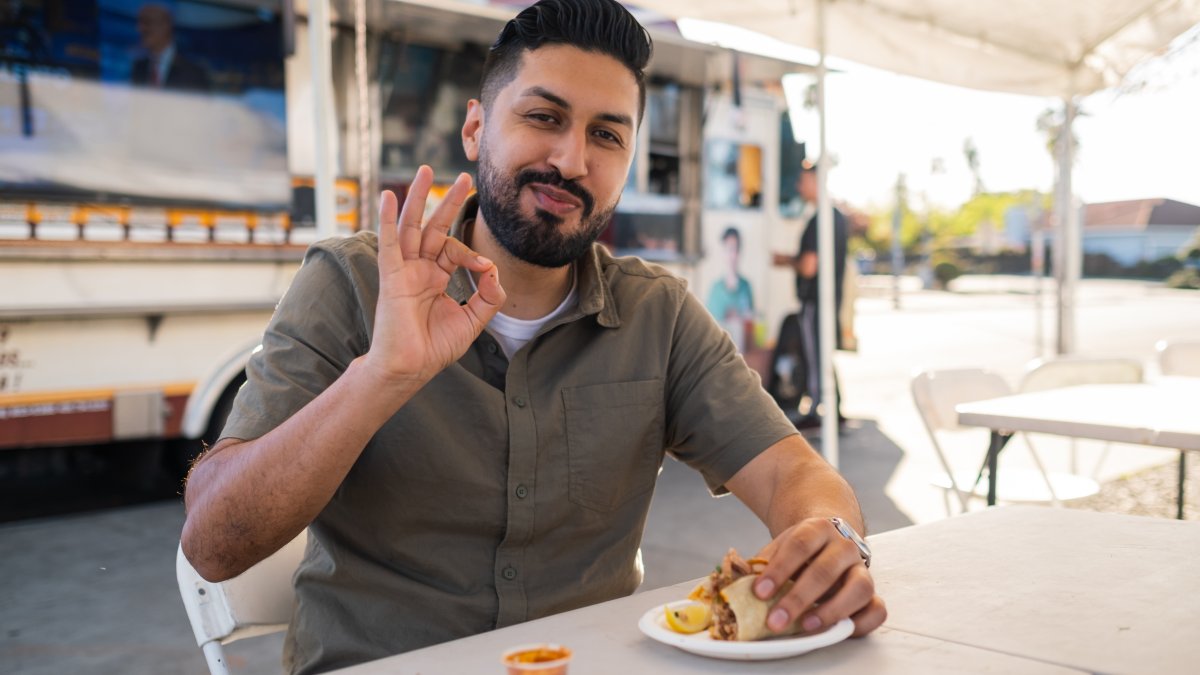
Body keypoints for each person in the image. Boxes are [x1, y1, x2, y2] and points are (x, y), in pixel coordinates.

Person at [181, 2, 884, 673]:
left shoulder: (657, 315)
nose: (572, 159)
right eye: (544, 117)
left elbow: (796, 472)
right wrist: (381, 374)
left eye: (607, 134)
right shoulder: (352, 283)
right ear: (475, 129)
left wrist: (826, 539)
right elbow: (214, 543)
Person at [773, 160, 848, 428]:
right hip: (829, 298)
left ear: (816, 182)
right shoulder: (837, 217)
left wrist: (785, 261)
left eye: (802, 181)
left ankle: (818, 409)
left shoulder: (820, 220)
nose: (798, 186)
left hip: (815, 299)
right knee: (822, 353)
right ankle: (834, 407)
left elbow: (808, 266)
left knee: (815, 354)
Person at [131, 3, 210, 92]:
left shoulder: (194, 74)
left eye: (147, 22)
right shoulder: (138, 68)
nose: (139, 28)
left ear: (166, 25)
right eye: (140, 22)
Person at [705, 226, 755, 352]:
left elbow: (750, 323)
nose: (732, 255)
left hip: (742, 352)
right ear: (723, 252)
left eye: (736, 249)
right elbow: (711, 328)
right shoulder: (716, 289)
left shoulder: (746, 286)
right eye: (729, 249)